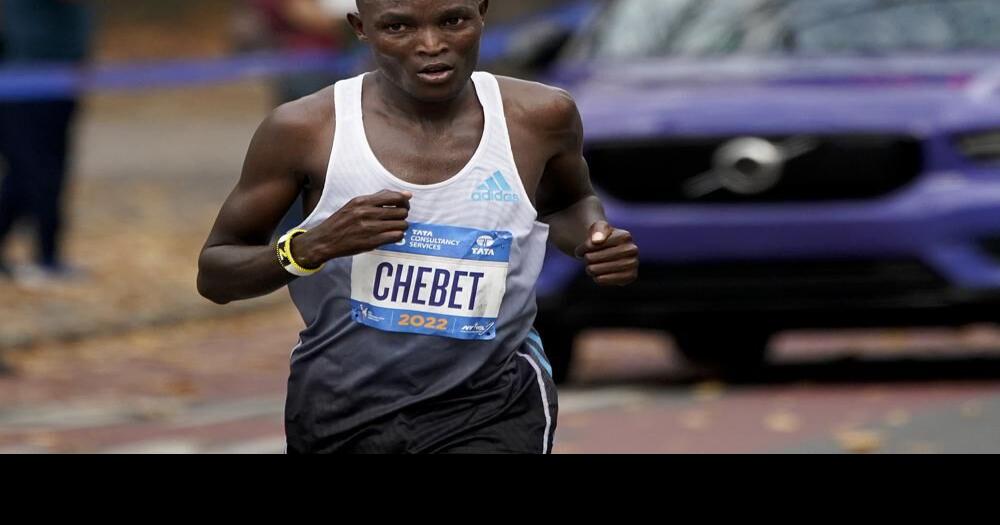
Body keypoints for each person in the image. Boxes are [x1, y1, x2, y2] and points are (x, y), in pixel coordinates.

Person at [198, 0, 639, 454]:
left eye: (453, 20)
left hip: (493, 401)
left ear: (481, 13)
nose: (432, 45)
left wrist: (593, 238)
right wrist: (311, 247)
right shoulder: (305, 129)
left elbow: (567, 202)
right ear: (361, 28)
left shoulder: (540, 116)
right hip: (341, 406)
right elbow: (215, 274)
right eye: (398, 27)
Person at [0, 0, 93, 282]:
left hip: (58, 76)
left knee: (33, 173)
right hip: (27, 78)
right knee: (36, 172)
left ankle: (47, 256)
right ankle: (47, 257)